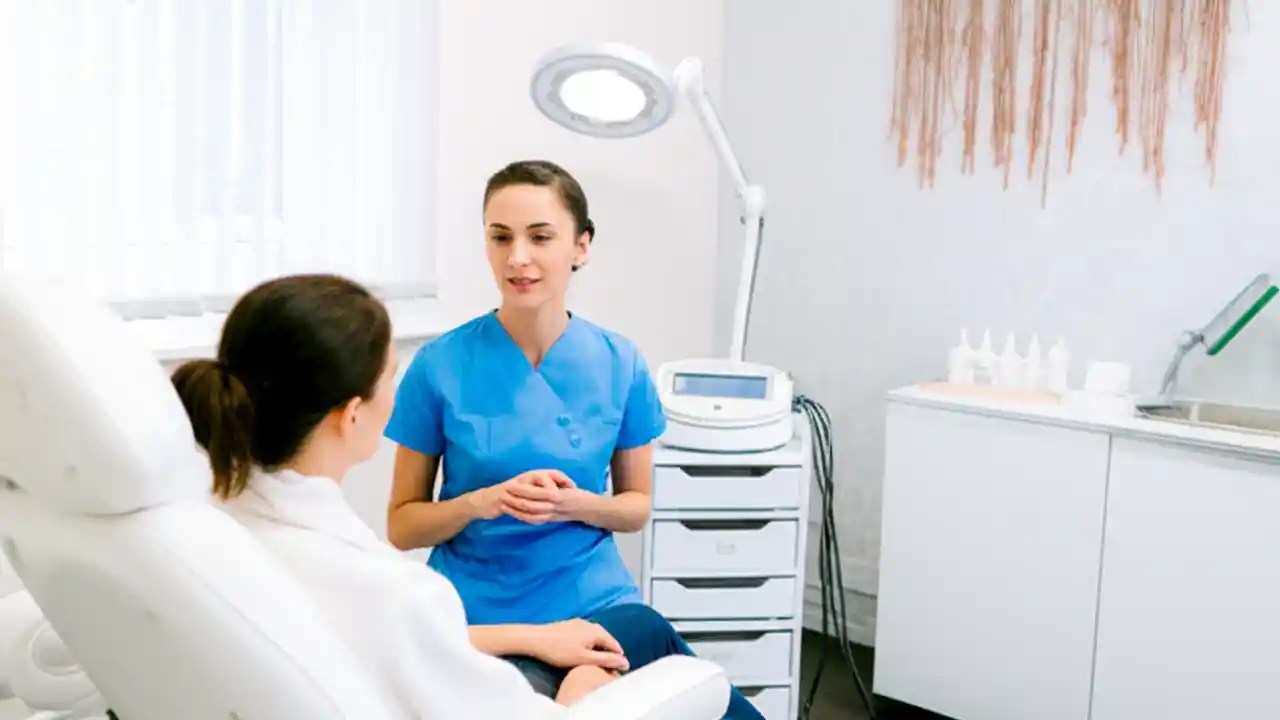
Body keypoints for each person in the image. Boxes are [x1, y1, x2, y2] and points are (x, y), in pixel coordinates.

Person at [384, 160, 764, 720]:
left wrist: (573, 504)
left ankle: (590, 676)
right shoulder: (439, 366)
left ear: (580, 246)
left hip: (594, 597)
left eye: (540, 237)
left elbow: (635, 508)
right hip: (482, 612)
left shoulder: (620, 362)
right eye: (500, 237)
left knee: (617, 669)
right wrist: (480, 502)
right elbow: (402, 525)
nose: (518, 257)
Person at [169, 274, 617, 718]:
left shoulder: (204, 525)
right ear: (351, 415)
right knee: (641, 649)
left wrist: (532, 637)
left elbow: (389, 632)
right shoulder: (390, 589)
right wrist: (584, 695)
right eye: (389, 379)